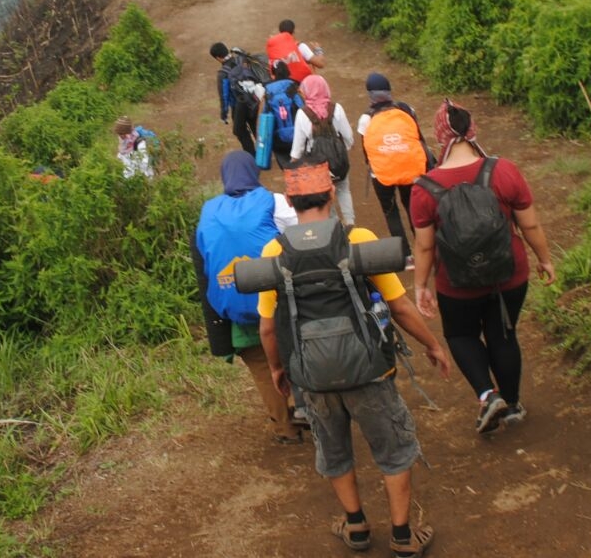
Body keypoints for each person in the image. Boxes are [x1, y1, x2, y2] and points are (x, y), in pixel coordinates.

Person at [259, 162, 451, 556]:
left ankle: (357, 527)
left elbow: (266, 327)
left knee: (334, 450)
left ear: (291, 202)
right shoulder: (357, 238)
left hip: (311, 376)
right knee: (393, 448)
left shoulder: (274, 251)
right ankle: (401, 536)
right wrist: (432, 344)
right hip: (369, 370)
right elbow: (398, 306)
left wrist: (279, 369)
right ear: (331, 195)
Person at [410, 100, 555, 435]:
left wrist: (421, 285)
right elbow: (530, 226)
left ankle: (488, 395)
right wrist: (544, 259)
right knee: (503, 334)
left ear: (439, 136)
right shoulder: (504, 171)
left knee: (460, 334)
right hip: (509, 274)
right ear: (472, 130)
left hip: (457, 284)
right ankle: (514, 405)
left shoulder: (424, 188)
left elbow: (425, 245)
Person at [192, 152, 299, 442]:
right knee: (293, 356)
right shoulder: (271, 201)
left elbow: (204, 266)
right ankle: (304, 409)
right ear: (254, 173)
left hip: (235, 310)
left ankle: (284, 428)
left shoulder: (208, 212)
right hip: (279, 304)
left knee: (263, 370)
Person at [356, 72, 435, 265]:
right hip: (410, 168)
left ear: (370, 94)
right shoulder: (407, 109)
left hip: (382, 173)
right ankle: (424, 250)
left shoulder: (366, 118)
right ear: (389, 90)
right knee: (412, 208)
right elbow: (417, 137)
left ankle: (406, 257)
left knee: (391, 212)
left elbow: (366, 147)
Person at [289, 74, 356, 225]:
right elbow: (348, 137)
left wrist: (293, 165)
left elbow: (298, 148)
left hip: (317, 164)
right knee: (344, 190)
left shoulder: (303, 114)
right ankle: (350, 224)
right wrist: (341, 150)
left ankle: (334, 227)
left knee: (324, 196)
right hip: (339, 161)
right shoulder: (336, 109)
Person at [211, 42, 266, 154]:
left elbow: (224, 97)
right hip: (255, 99)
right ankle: (265, 152)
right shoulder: (242, 59)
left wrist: (224, 115)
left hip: (239, 105)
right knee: (256, 126)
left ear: (217, 58)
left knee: (239, 130)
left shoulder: (222, 74)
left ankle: (252, 156)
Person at [261, 60, 304, 170]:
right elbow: (304, 110)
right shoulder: (294, 89)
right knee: (303, 167)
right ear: (288, 72)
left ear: (273, 74)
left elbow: (265, 119)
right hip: (299, 137)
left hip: (279, 141)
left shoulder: (268, 93)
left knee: (287, 170)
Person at [266, 19, 325, 84]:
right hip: (302, 85)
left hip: (283, 85)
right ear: (293, 31)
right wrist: (318, 49)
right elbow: (320, 64)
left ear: (280, 32)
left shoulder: (275, 47)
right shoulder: (300, 47)